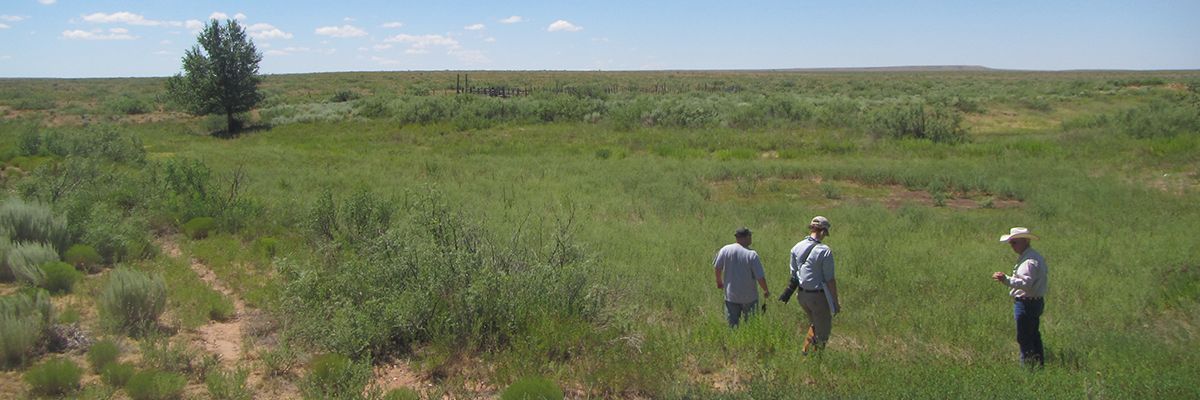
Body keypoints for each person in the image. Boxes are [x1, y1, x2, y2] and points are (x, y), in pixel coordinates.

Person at [992, 227, 1048, 368]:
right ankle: (1039, 366)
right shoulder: (1034, 256)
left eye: (1014, 242)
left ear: (1025, 241)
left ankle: (1028, 370)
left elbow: (1025, 284)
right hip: (1035, 302)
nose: (1012, 246)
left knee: (1024, 338)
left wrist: (1006, 279)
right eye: (1011, 243)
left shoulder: (1028, 261)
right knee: (1034, 335)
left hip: (1026, 303)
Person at [791, 216, 839, 351]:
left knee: (815, 323)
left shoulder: (796, 247)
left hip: (802, 295)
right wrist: (835, 302)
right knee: (823, 330)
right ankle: (814, 358)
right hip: (817, 297)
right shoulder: (824, 251)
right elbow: (830, 279)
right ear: (823, 231)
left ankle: (805, 351)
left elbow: (794, 274)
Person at [714, 227, 770, 328]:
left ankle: (733, 342)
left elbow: (718, 267)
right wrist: (765, 290)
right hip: (749, 297)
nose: (751, 238)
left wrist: (719, 281)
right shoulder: (751, 254)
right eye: (750, 236)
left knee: (732, 327)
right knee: (752, 326)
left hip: (731, 296)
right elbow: (760, 277)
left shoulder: (725, 250)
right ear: (746, 237)